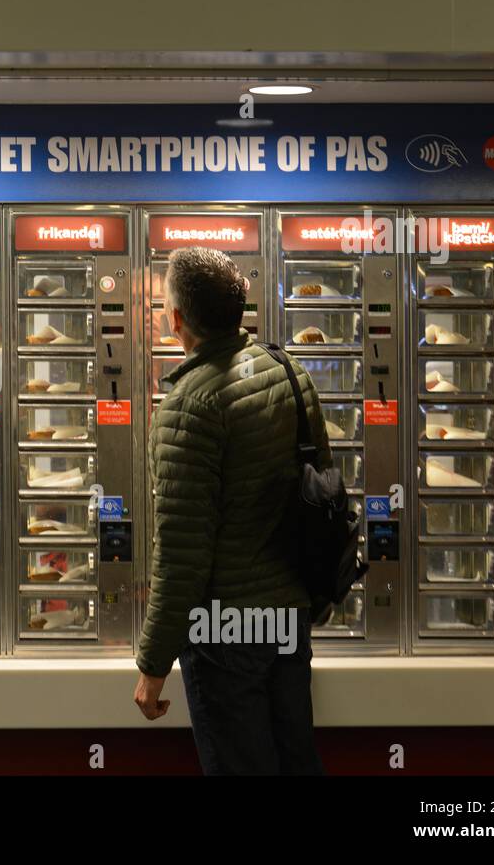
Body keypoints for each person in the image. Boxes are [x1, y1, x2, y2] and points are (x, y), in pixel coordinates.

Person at [132, 245, 331, 776]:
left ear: (176, 320)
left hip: (225, 633)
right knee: (296, 765)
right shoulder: (292, 375)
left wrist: (153, 666)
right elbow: (322, 496)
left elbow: (181, 556)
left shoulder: (188, 408)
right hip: (288, 619)